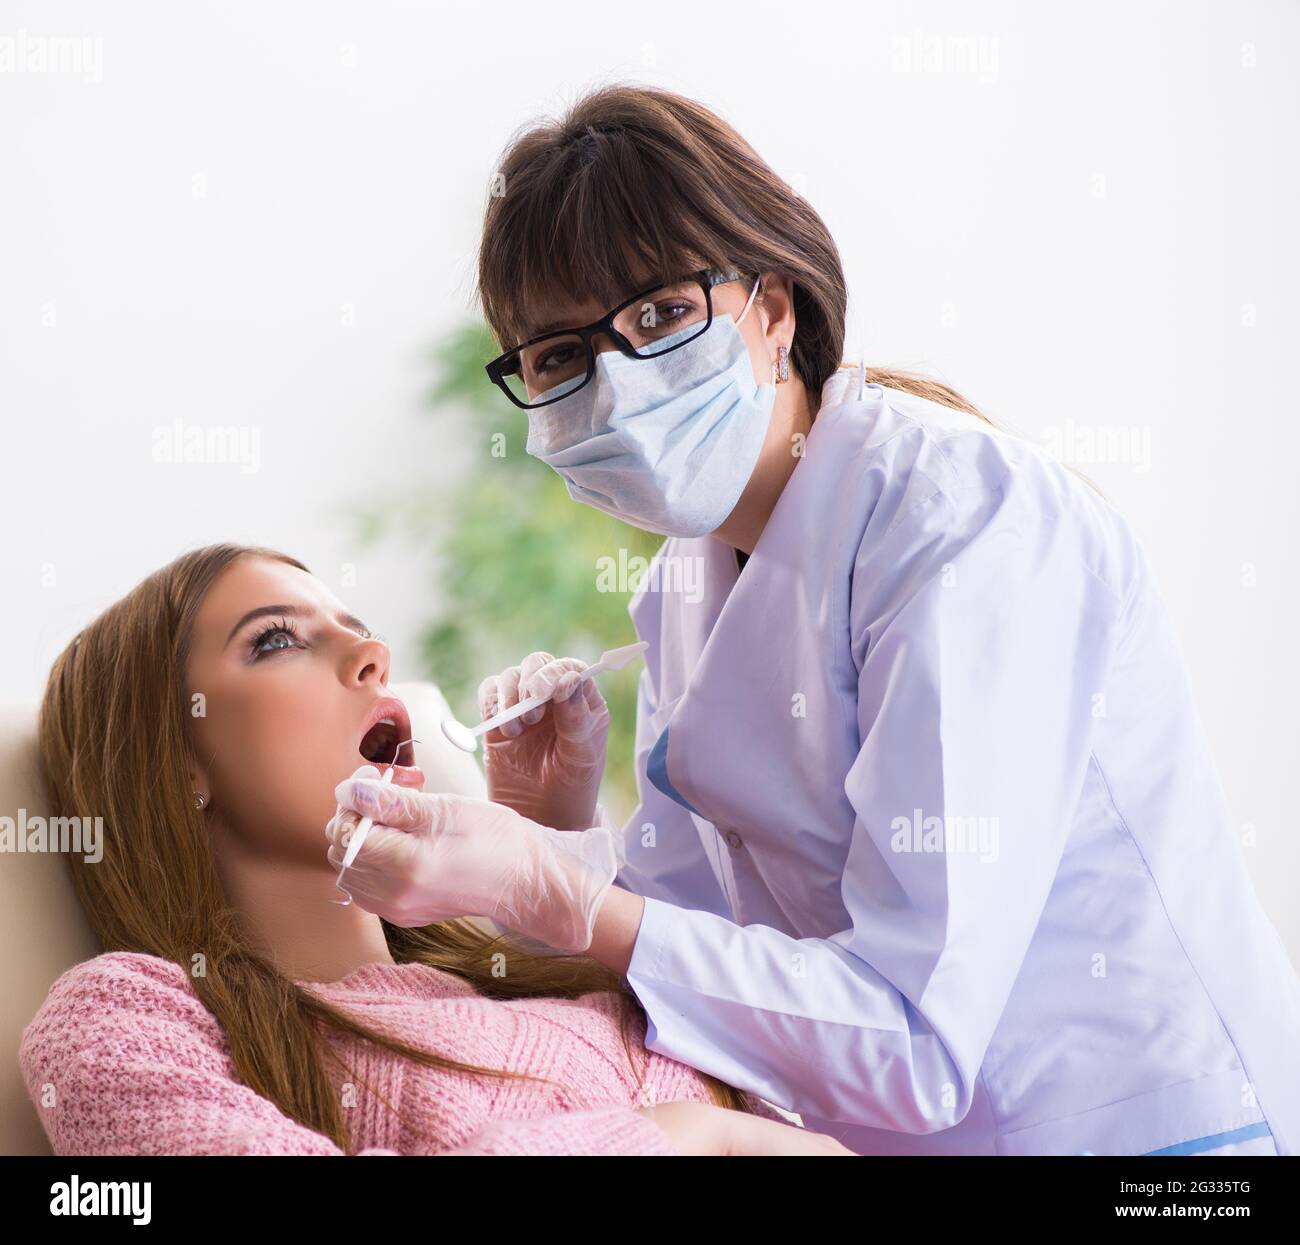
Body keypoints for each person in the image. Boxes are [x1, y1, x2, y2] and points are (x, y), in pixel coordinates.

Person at [330, 83, 1300, 1156]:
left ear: (774, 310)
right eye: (560, 356)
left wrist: (547, 887)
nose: (617, 386)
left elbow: (913, 1040)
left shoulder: (961, 521)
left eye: (660, 315)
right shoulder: (690, 583)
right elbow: (704, 957)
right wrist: (554, 829)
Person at [21, 542, 849, 1156]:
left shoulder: (529, 977)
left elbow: (830, 1052)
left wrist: (547, 864)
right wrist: (694, 1138)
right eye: (275, 640)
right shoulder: (124, 1018)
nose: (372, 656)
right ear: (177, 763)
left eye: (360, 631)